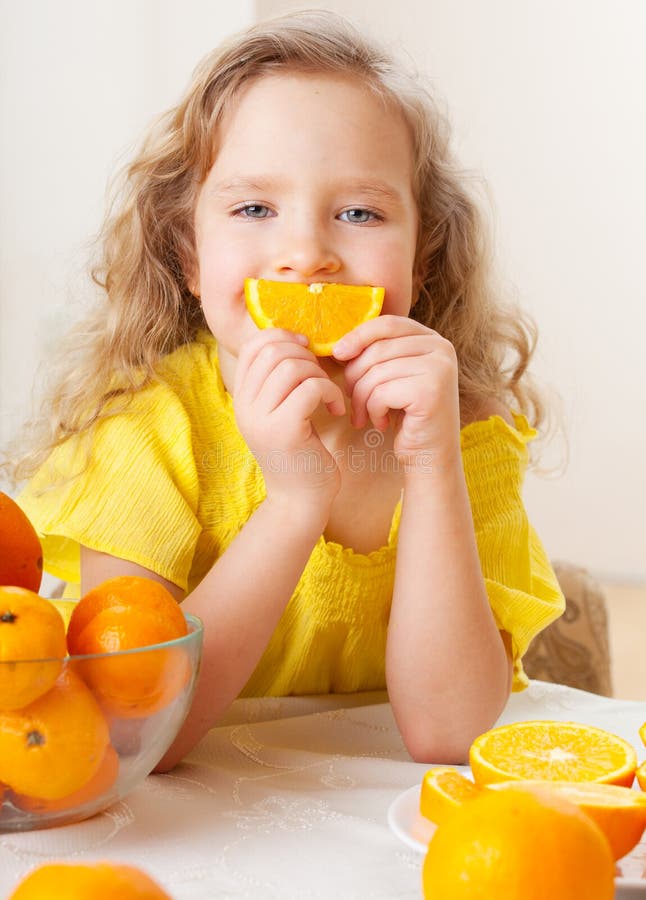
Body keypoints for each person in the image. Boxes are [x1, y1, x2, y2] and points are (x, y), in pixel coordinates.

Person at [14, 10, 564, 770]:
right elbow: (137, 734)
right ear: (189, 256)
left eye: (360, 213)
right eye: (254, 209)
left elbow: (450, 736)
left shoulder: (465, 434)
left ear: (424, 256)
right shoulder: (141, 434)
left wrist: (433, 466)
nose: (307, 254)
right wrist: (295, 503)